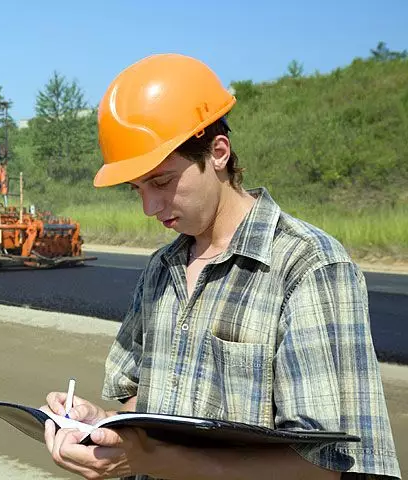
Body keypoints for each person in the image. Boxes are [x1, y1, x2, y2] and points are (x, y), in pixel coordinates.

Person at [41, 53, 400, 479]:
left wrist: (150, 461)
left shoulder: (307, 268)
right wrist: (101, 425)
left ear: (218, 152)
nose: (149, 207)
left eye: (161, 181)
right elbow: (149, 403)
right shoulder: (161, 269)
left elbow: (324, 469)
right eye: (136, 188)